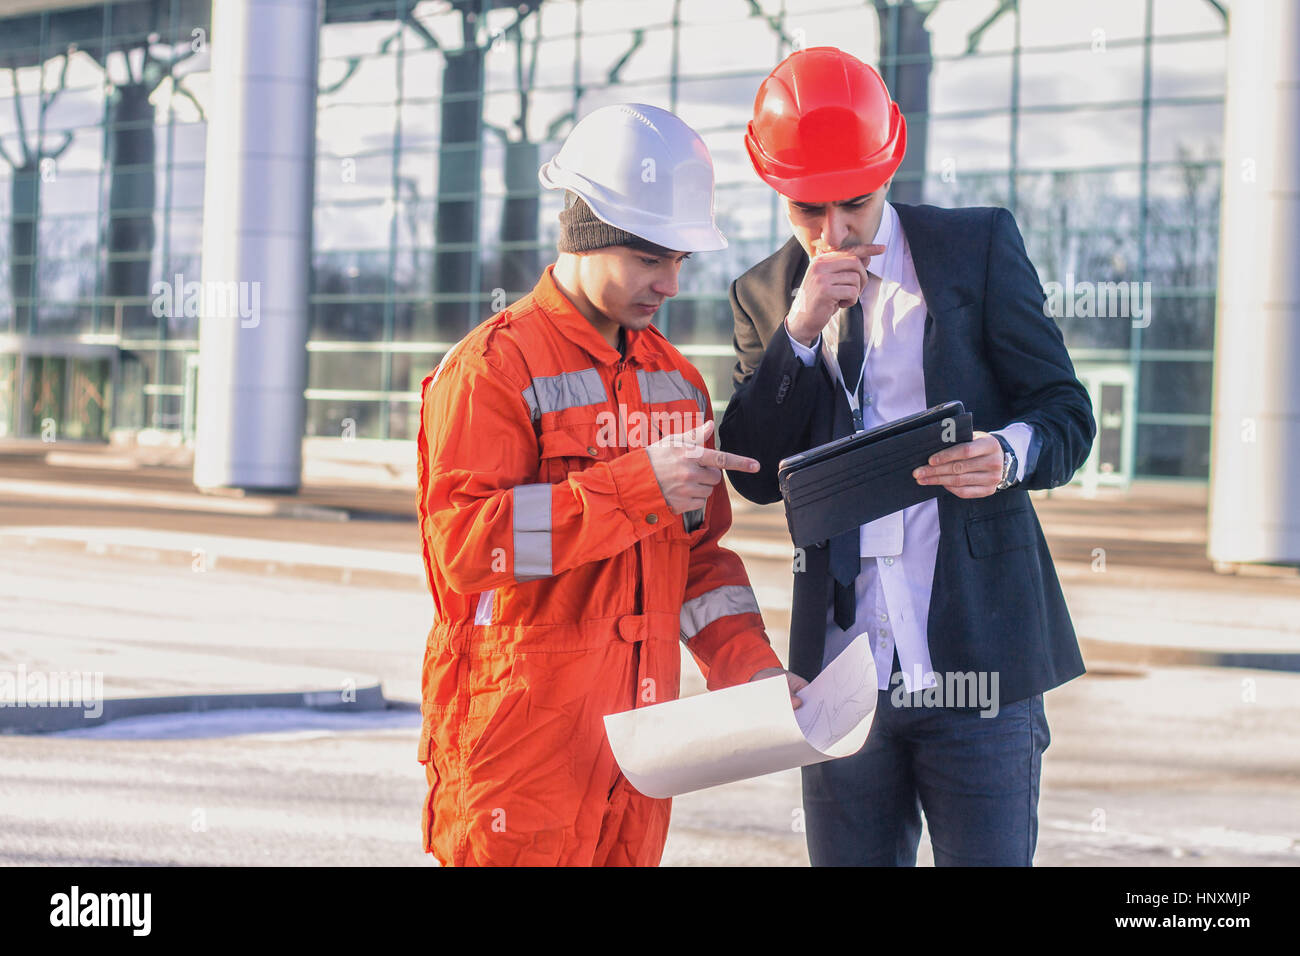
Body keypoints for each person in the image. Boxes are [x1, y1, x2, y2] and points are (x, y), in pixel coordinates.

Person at [719, 47, 1096, 866]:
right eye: (807, 212)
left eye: (852, 205)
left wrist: (1009, 451)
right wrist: (801, 332)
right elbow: (750, 469)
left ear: (888, 164)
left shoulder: (977, 247)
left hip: (979, 658)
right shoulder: (761, 293)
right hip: (841, 674)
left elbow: (1067, 412)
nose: (835, 232)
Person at [415, 102, 803, 867]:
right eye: (648, 259)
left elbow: (698, 563)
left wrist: (748, 667)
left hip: (639, 753)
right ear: (585, 234)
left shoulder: (675, 382)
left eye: (680, 261)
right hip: (520, 752)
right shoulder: (492, 369)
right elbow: (464, 547)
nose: (668, 283)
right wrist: (635, 488)